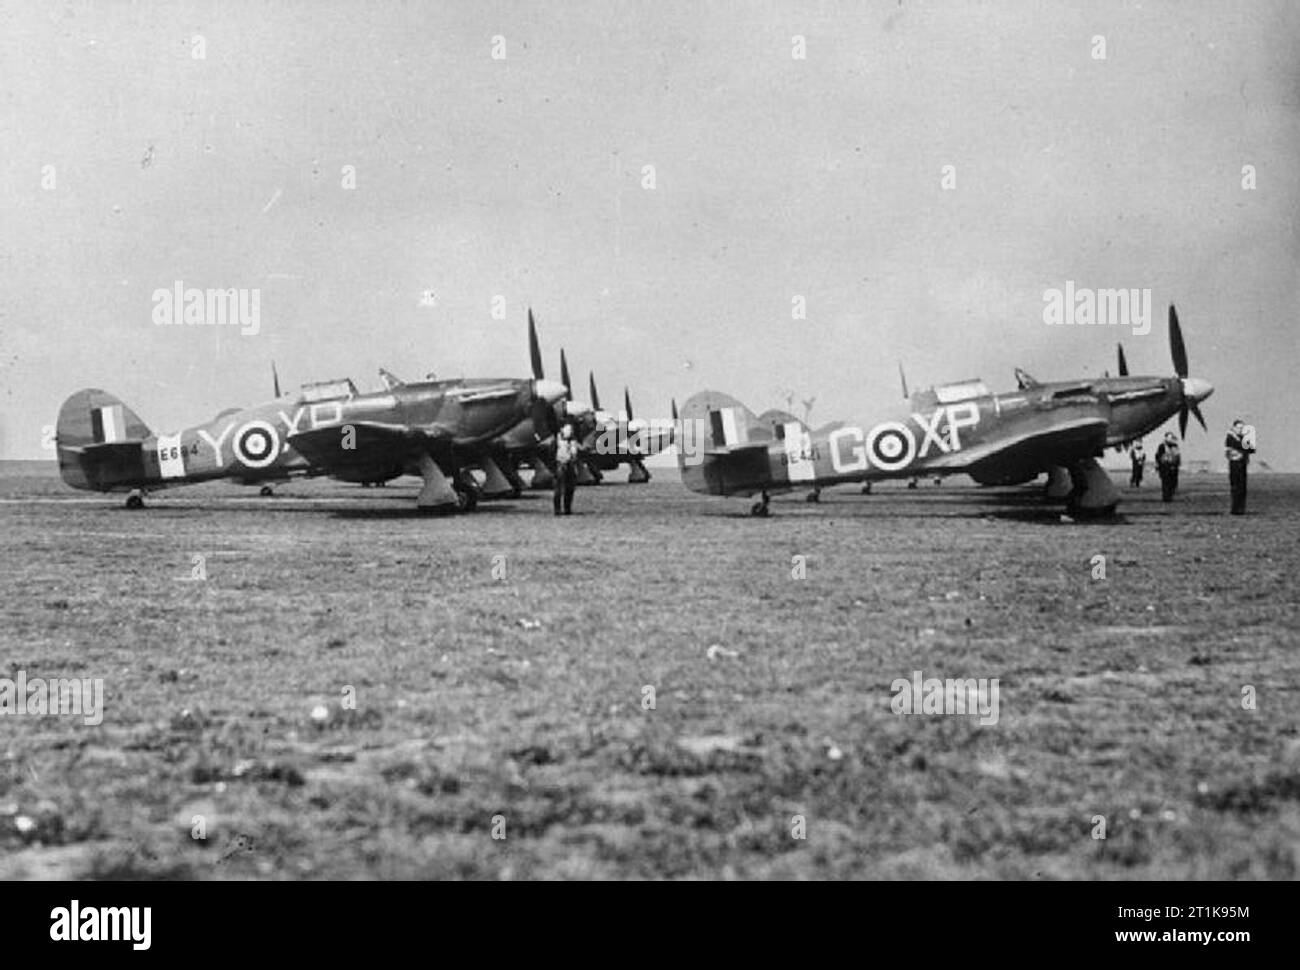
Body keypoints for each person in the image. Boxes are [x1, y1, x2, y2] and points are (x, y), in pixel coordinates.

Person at [1224, 419, 1256, 515]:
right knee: (1236, 486)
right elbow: (1240, 446)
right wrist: (1245, 447)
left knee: (1242, 487)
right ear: (1234, 428)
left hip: (1242, 463)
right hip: (1235, 464)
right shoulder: (1230, 437)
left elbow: (1252, 449)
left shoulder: (1242, 437)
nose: (1240, 430)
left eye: (1242, 428)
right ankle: (1235, 508)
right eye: (1238, 428)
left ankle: (1241, 508)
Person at [553, 422, 581, 516]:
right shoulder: (558, 441)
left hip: (569, 463)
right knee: (560, 488)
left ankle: (566, 508)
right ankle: (560, 509)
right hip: (562, 463)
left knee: (569, 488)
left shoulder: (572, 441)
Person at [1154, 432, 1181, 502]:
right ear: (1166, 438)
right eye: (1169, 437)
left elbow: (1177, 456)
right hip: (1165, 468)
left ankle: (1170, 496)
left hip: (1173, 468)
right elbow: (1158, 457)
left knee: (1173, 483)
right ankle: (1166, 498)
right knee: (1166, 484)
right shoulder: (1162, 446)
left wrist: (1177, 464)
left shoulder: (1175, 446)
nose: (1170, 439)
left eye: (1171, 437)